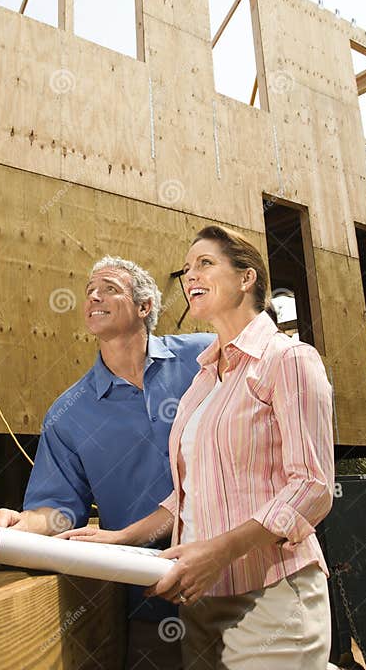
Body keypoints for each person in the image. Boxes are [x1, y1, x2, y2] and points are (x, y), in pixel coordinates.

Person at [61, 227, 335, 670]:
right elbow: (187, 494)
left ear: (246, 278)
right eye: (187, 268)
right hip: (200, 602)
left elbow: (313, 488)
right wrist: (122, 537)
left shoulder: (289, 360)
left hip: (271, 597)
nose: (190, 276)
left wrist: (219, 552)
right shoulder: (203, 379)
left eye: (204, 263)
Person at [0, 255, 215, 669]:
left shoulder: (204, 359)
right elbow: (58, 511)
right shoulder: (69, 413)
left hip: (239, 583)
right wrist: (22, 524)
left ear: (144, 308)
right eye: (89, 289)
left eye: (109, 288)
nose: (93, 295)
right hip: (152, 602)